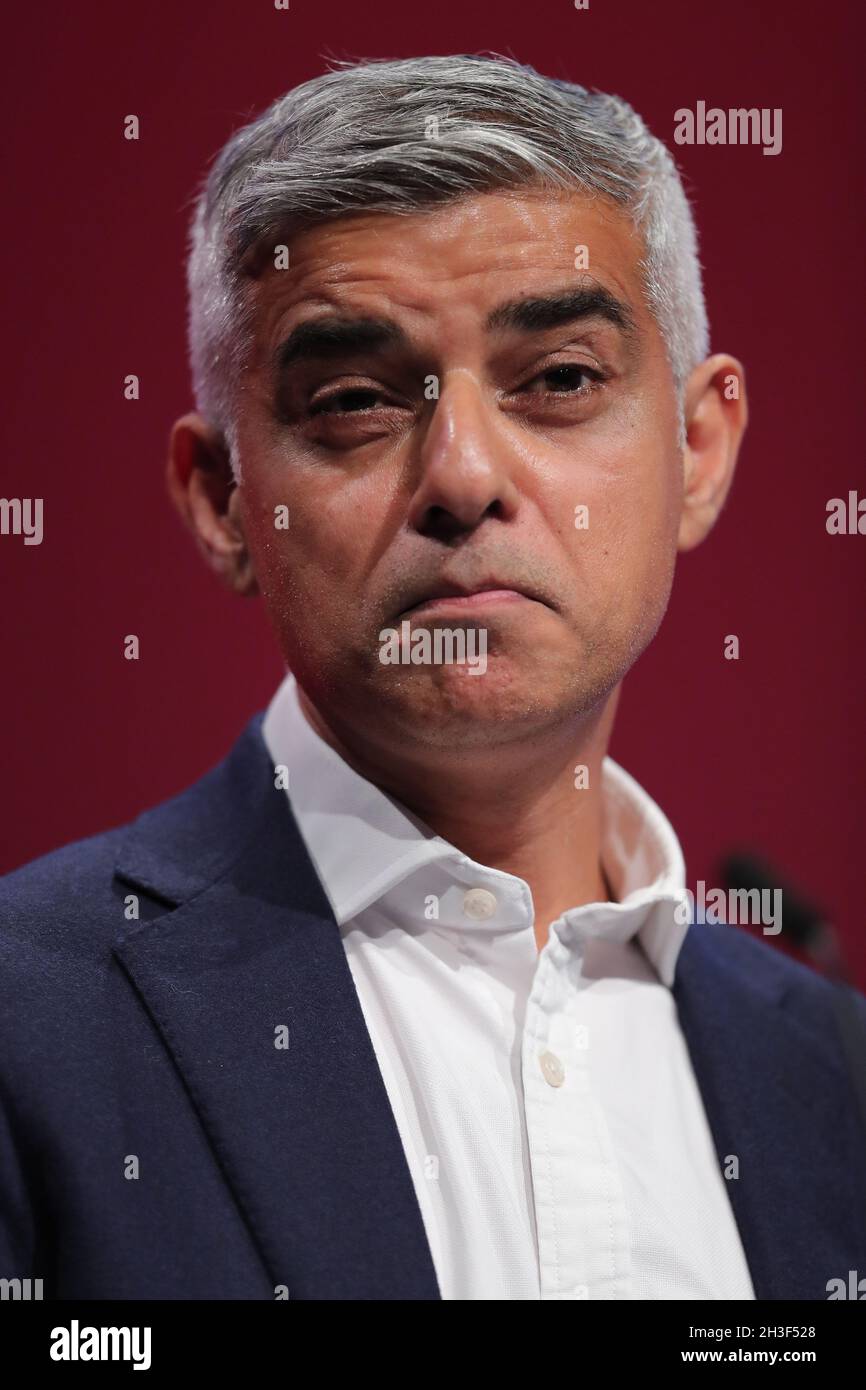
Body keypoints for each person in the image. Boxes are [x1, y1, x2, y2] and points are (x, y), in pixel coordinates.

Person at [2, 53, 864, 1302]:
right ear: (224, 500)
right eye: (353, 399)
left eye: (559, 379)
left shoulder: (833, 1073)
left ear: (697, 448)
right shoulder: (32, 1020)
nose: (462, 474)